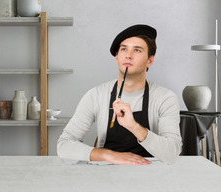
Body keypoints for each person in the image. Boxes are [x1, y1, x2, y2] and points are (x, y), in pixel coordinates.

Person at [57, 24, 182, 165]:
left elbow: (172, 153)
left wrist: (133, 126)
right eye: (123, 49)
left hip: (151, 176)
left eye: (137, 50)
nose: (128, 55)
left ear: (150, 61)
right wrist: (107, 155)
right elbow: (64, 145)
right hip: (106, 174)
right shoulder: (96, 95)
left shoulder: (165, 98)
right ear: (117, 57)